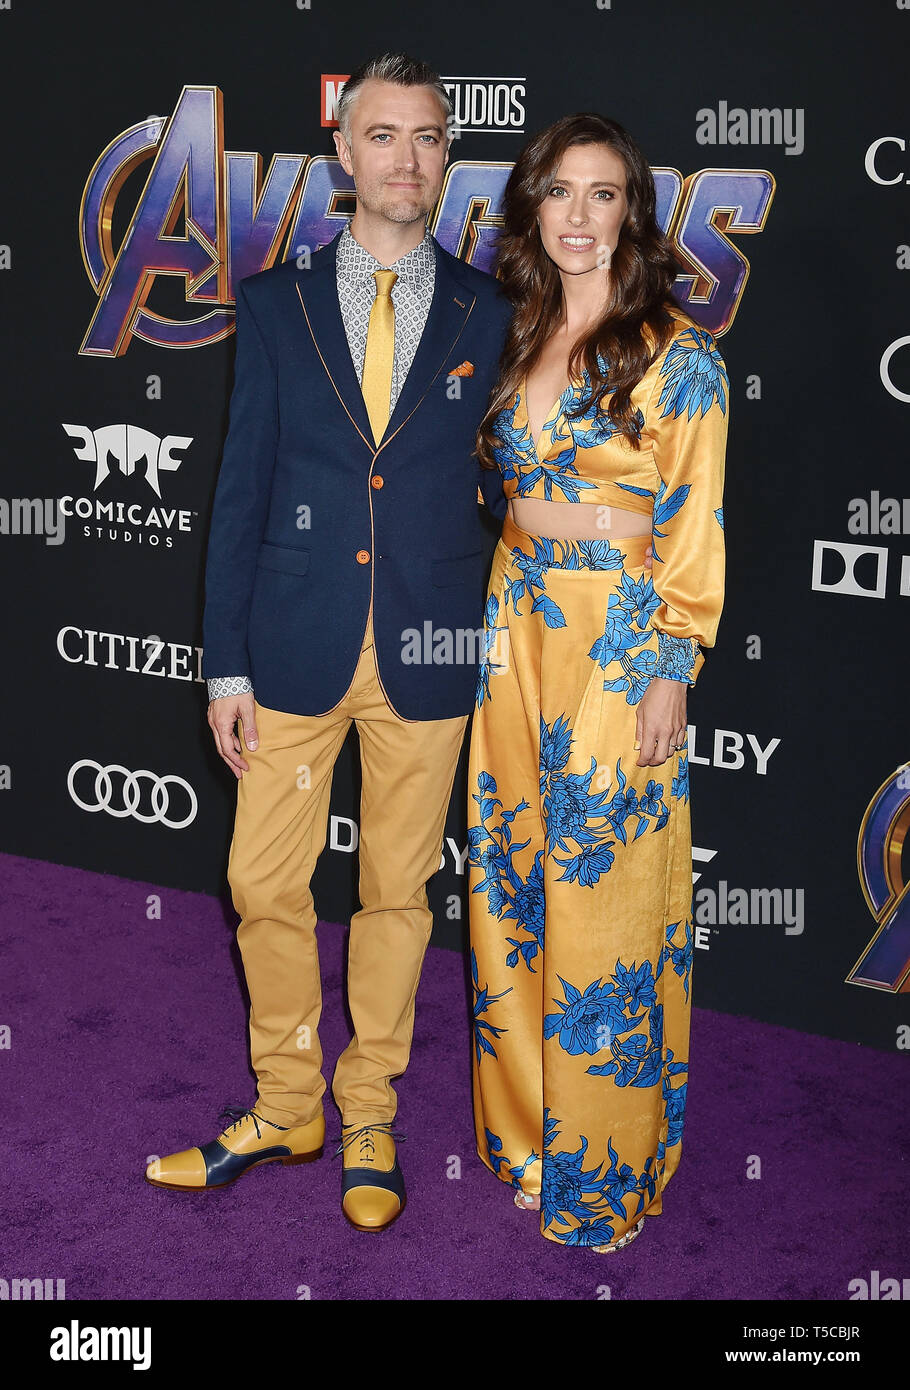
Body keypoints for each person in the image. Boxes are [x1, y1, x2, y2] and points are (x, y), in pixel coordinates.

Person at [145, 52, 511, 1232]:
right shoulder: (273, 302)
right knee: (262, 881)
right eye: (384, 135)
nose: (408, 158)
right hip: (293, 641)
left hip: (432, 644)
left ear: (446, 157)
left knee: (399, 891)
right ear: (343, 156)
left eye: (429, 137)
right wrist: (224, 661)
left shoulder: (494, 311)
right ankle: (287, 1097)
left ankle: (369, 1107)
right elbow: (237, 490)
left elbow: (514, 490)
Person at [467, 114, 729, 1251]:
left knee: (606, 905)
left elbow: (695, 526)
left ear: (634, 213)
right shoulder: (511, 328)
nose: (579, 217)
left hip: (619, 641)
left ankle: (603, 1167)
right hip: (513, 621)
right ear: (531, 207)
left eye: (604, 195)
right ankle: (530, 1136)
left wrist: (672, 662)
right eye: (559, 193)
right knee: (511, 885)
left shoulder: (681, 356)